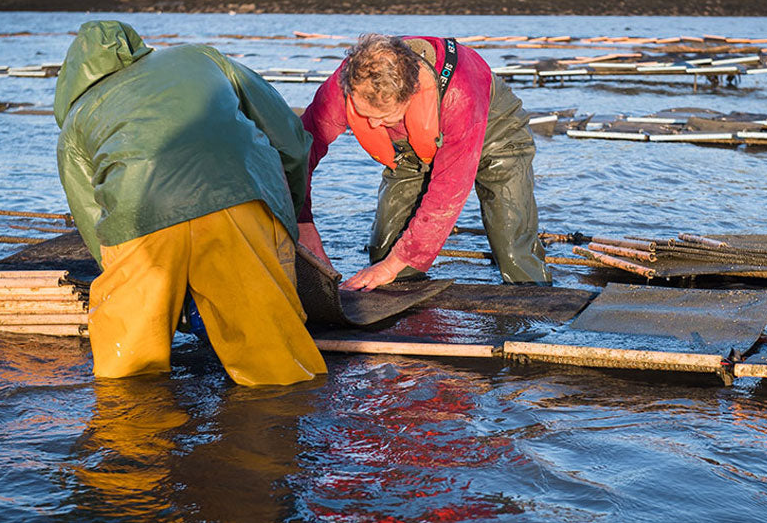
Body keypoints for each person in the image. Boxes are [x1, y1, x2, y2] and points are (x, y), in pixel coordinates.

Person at [54, 20, 326, 386]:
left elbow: (93, 221)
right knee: (274, 360)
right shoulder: (201, 58)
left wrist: (152, 288)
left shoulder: (76, 120)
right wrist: (288, 217)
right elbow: (290, 141)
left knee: (127, 370)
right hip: (239, 197)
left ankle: (128, 438)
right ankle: (283, 428)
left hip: (137, 218)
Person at [298, 33, 551, 290]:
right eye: (364, 114)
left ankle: (538, 310)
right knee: (384, 254)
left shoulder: (458, 95)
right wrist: (303, 223)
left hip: (495, 134)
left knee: (513, 251)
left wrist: (396, 263)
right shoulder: (343, 86)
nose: (372, 125)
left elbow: (447, 195)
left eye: (383, 116)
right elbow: (296, 158)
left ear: (412, 94)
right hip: (412, 150)